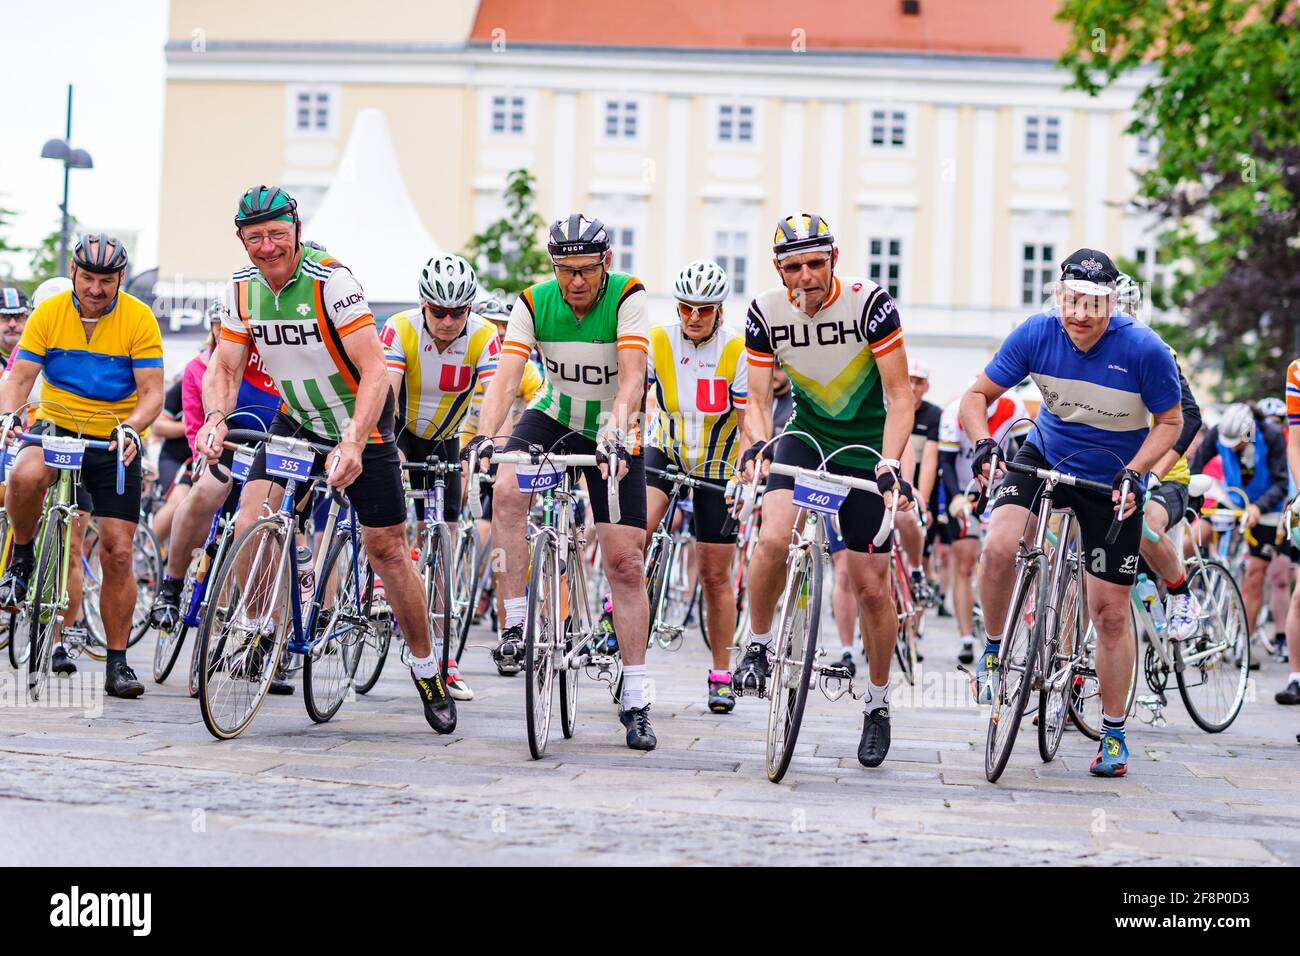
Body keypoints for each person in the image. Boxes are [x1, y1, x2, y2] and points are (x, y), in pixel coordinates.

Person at [195, 185, 456, 734]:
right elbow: (225, 366)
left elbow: (376, 370)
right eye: (255, 238)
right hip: (297, 419)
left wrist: (356, 443)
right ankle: (262, 626)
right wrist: (216, 419)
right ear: (241, 240)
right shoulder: (241, 292)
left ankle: (428, 667)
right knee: (254, 515)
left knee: (385, 549)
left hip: (361, 419)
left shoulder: (331, 280)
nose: (268, 247)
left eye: (277, 235)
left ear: (296, 230)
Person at [963, 248, 1182, 778]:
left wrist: (1138, 471)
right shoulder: (1036, 333)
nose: (1081, 314)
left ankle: (1112, 732)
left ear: (1112, 304)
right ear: (1058, 297)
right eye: (1072, 301)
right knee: (996, 548)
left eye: (1094, 303)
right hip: (1045, 454)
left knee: (1108, 612)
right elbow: (976, 395)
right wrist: (984, 444)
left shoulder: (1143, 349)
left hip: (1112, 474)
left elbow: (1171, 422)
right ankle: (994, 651)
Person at [467, 213, 656, 750]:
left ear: (606, 264)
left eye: (586, 270)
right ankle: (516, 622)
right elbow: (507, 378)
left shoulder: (627, 296)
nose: (576, 281)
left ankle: (637, 698)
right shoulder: (531, 301)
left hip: (612, 425)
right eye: (565, 270)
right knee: (506, 489)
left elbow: (633, 376)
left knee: (624, 561)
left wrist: (617, 432)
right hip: (553, 416)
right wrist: (486, 435)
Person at [739, 212, 915, 769]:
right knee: (771, 538)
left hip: (866, 449)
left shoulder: (870, 305)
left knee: (869, 587)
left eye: (817, 263)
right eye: (794, 266)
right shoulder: (765, 312)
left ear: (833, 260)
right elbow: (760, 402)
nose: (807, 276)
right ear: (779, 269)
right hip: (808, 438)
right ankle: (761, 647)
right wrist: (760, 445)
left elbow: (900, 396)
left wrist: (889, 462)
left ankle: (879, 702)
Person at [0, 234, 164, 698]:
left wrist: (131, 427)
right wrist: (10, 416)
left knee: (116, 549)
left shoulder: (138, 317)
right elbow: (20, 379)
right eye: (88, 277)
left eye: (106, 280)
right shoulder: (50, 313)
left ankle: (117, 663)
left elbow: (152, 393)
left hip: (114, 437)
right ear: (73, 273)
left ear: (121, 280)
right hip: (58, 422)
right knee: (25, 475)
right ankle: (25, 555)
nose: (95, 288)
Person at [382, 253, 500, 700]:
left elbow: (494, 394)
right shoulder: (401, 327)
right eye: (439, 311)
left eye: (458, 312)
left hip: (445, 440)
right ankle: (376, 579)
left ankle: (444, 659)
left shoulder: (484, 335)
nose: (449, 321)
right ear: (423, 304)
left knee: (444, 544)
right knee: (383, 518)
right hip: (401, 430)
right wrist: (384, 444)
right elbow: (387, 391)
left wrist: (486, 441)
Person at [645, 259, 746, 713]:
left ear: (719, 311)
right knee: (633, 533)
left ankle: (721, 674)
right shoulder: (658, 340)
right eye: (687, 308)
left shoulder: (737, 350)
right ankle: (615, 608)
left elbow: (747, 420)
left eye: (704, 310)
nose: (694, 317)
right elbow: (629, 390)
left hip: (717, 463)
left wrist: (746, 470)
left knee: (714, 574)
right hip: (665, 448)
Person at [937, 387, 1030, 665]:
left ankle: (1012, 630)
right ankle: (966, 637)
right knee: (964, 562)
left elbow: (1026, 450)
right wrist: (955, 497)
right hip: (967, 489)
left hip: (1003, 487)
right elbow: (946, 462)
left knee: (1011, 558)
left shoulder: (1013, 405)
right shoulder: (953, 411)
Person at [1190, 403, 1288, 652]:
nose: (1233, 448)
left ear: (1249, 432)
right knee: (1191, 539)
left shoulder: (1271, 435)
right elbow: (1196, 467)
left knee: (1255, 575)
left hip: (1265, 505)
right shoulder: (1218, 432)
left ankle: (1244, 640)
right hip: (1232, 497)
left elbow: (1281, 482)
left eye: (1237, 444)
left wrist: (1259, 507)